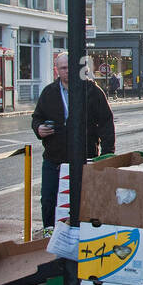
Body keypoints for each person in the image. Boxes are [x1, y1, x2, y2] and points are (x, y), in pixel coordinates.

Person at [32, 52, 116, 234]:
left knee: (85, 200)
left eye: (70, 67)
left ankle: (85, 235)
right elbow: (37, 117)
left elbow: (106, 123)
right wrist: (38, 128)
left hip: (86, 157)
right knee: (49, 199)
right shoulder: (49, 92)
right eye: (63, 68)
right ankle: (50, 234)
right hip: (55, 158)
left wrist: (107, 155)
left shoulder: (92, 91)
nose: (67, 71)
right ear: (57, 70)